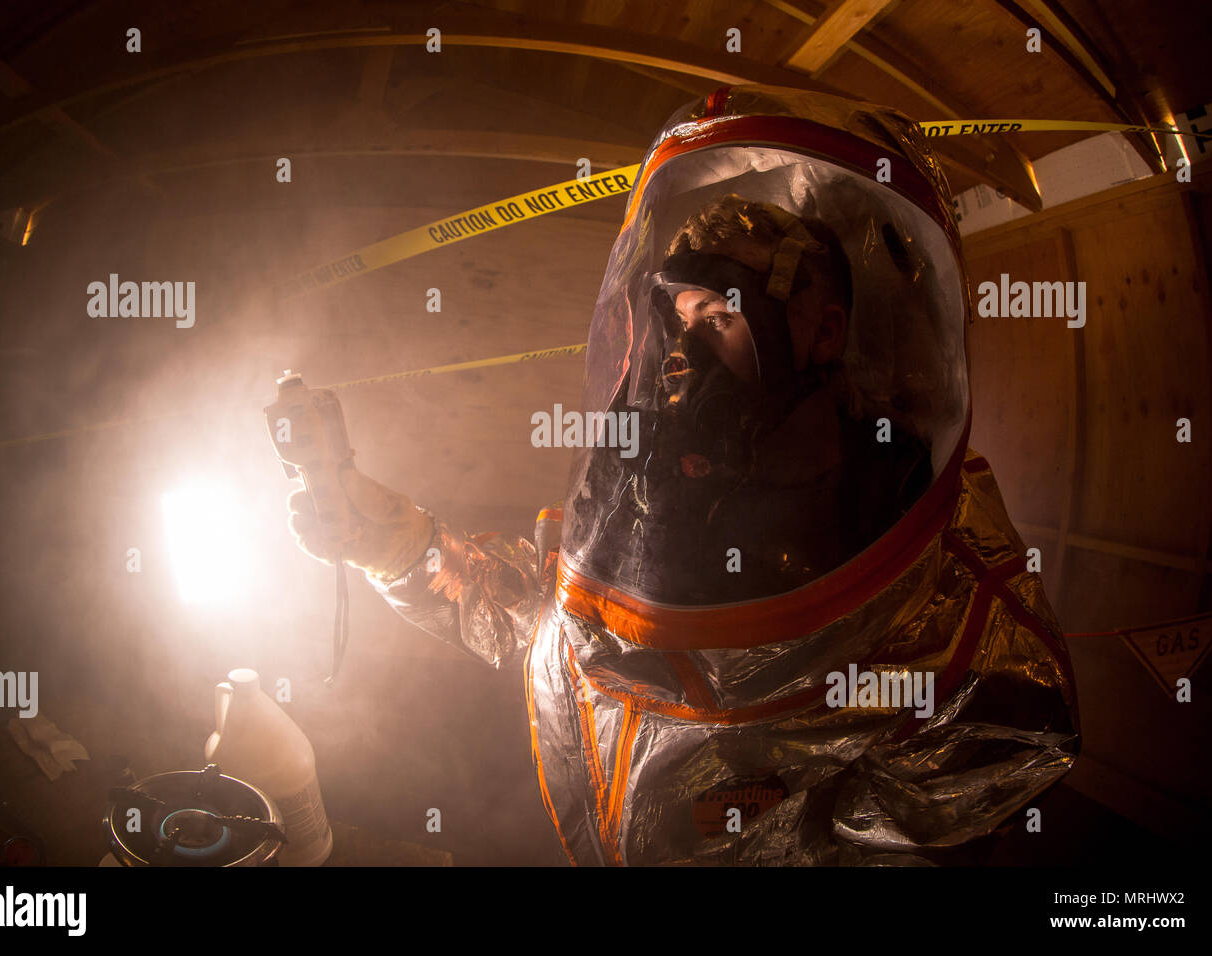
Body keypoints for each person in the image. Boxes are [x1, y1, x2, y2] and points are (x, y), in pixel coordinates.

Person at [288, 84, 1079, 866]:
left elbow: (960, 817)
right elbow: (550, 623)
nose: (682, 355)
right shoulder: (648, 496)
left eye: (722, 318)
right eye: (679, 319)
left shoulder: (936, 577)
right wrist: (390, 540)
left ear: (825, 332)